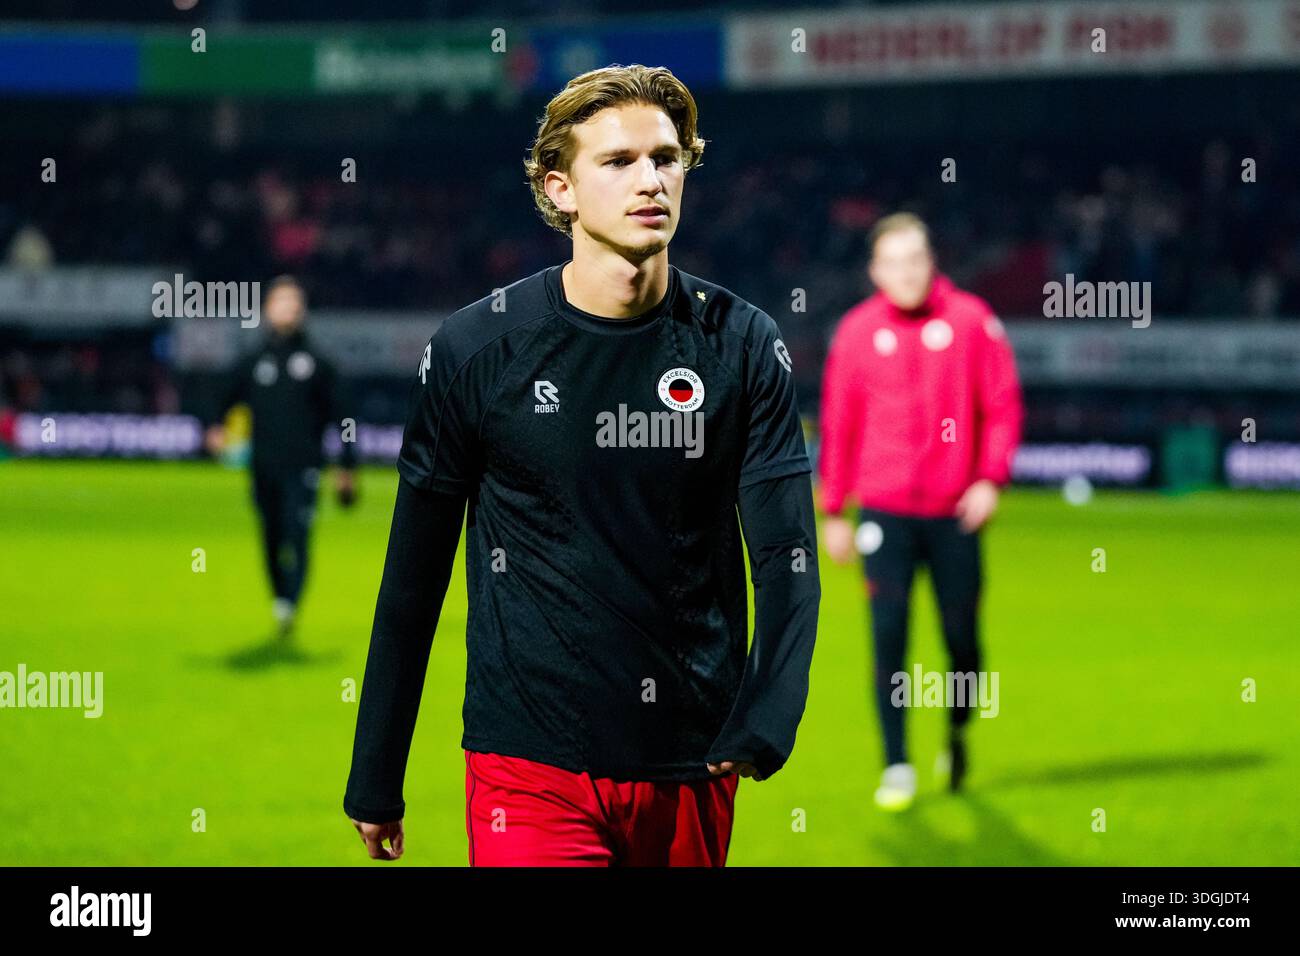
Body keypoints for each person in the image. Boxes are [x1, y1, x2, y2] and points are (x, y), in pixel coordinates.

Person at [343, 64, 820, 866]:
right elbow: (413, 578)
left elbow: (784, 553)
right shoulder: (476, 351)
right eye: (619, 161)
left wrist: (771, 709)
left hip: (691, 759)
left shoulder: (742, 344)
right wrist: (377, 767)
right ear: (560, 188)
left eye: (667, 159)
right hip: (528, 764)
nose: (651, 180)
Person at [817, 213, 1023, 811]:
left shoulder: (972, 321)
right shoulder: (855, 332)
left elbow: (1002, 407)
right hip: (884, 512)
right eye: (892, 262)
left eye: (915, 260)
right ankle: (897, 763)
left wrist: (990, 478)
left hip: (956, 512)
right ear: (874, 270)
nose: (905, 273)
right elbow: (839, 423)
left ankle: (957, 731)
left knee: (962, 643)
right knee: (888, 638)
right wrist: (834, 509)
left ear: (932, 262)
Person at [204, 275, 358, 638]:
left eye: (294, 302)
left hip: (304, 466)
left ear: (302, 311)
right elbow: (220, 399)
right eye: (280, 302)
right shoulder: (252, 361)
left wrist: (347, 466)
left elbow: (345, 418)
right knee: (271, 535)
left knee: (298, 532)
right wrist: (214, 427)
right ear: (267, 310)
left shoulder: (319, 364)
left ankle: (290, 603)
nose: (287, 309)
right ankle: (280, 598)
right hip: (263, 467)